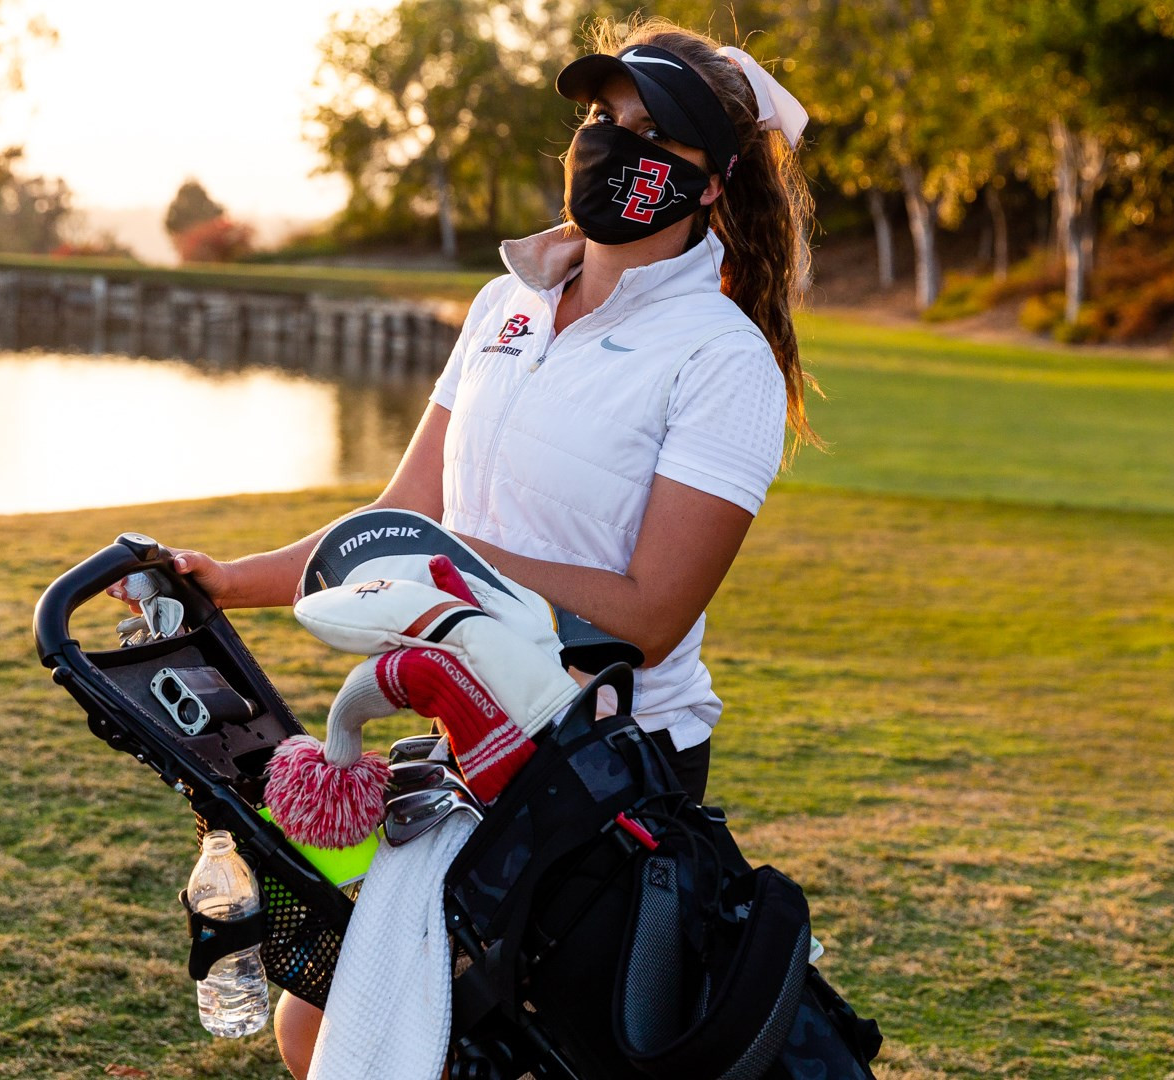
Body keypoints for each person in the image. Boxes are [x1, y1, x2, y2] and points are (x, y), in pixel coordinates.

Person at [110, 17, 816, 1079]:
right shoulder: (504, 307)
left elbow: (655, 608)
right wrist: (229, 580)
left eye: (645, 130)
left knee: (457, 1046)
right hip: (465, 734)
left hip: (604, 759)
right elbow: (399, 518)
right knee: (324, 1031)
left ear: (710, 183)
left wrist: (467, 563)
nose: (607, 144)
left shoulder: (723, 360)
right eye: (598, 118)